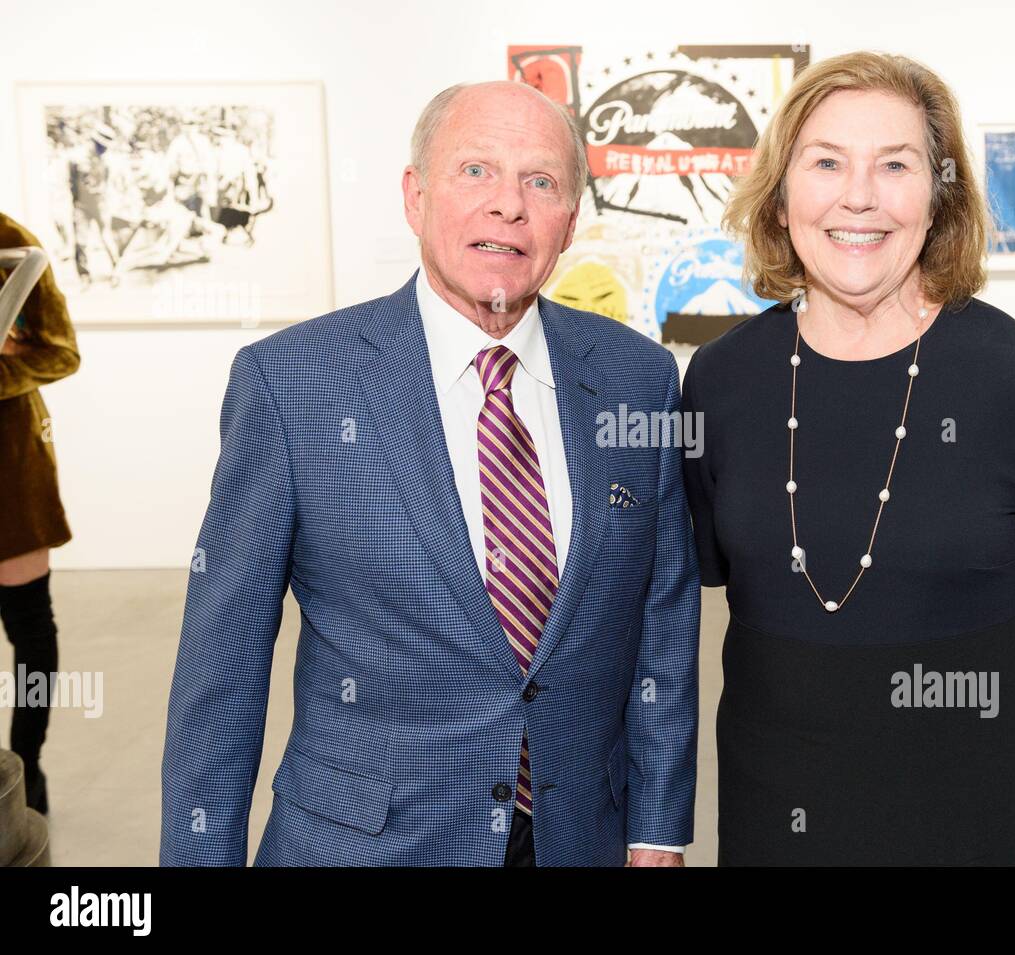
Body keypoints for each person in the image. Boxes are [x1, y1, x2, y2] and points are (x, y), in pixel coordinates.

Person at [160, 81, 699, 867]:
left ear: (570, 220)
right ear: (415, 196)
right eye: (475, 171)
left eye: (540, 182)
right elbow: (223, 668)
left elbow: (663, 618)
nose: (508, 206)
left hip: (579, 840)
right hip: (363, 846)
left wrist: (656, 826)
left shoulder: (637, 379)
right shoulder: (292, 382)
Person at [683, 51, 1015, 865]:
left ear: (938, 197)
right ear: (782, 198)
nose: (860, 196)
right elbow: (714, 580)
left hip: (974, 814)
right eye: (826, 163)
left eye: (895, 164)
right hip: (775, 812)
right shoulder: (720, 382)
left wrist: (965, 699)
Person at [0, 210, 81, 816]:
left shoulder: (11, 242)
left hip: (11, 474)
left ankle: (25, 769)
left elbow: (59, 352)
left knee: (29, 627)